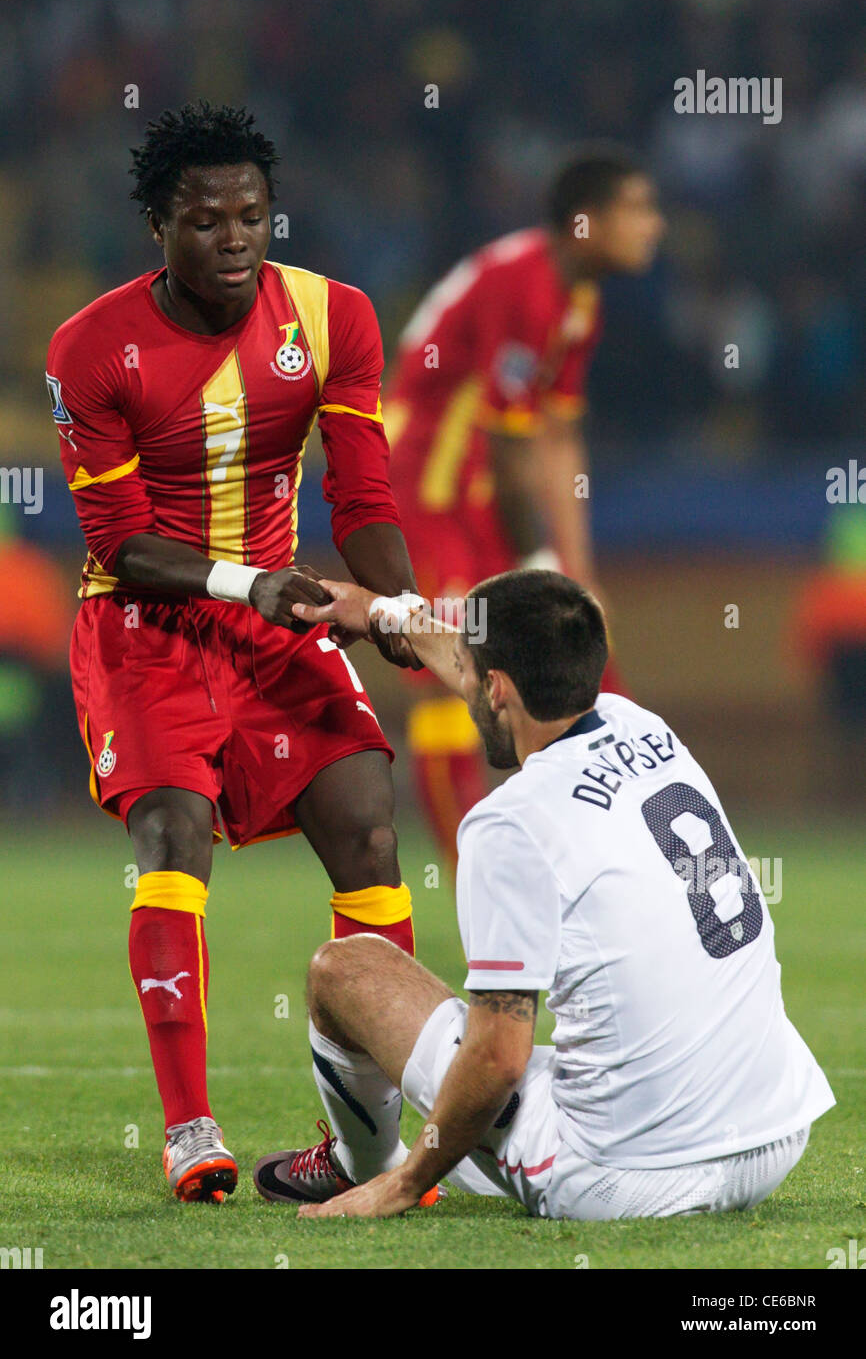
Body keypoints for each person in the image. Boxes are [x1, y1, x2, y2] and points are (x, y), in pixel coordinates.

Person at [45, 101, 426, 1204]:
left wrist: (396, 606)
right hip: (143, 628)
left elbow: (360, 494)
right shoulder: (90, 348)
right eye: (205, 219)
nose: (234, 239)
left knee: (366, 823)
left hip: (276, 622)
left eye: (251, 215)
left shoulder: (334, 315)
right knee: (172, 829)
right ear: (157, 224)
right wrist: (248, 582)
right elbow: (119, 544)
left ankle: (362, 1147)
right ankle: (188, 1128)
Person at [253, 572, 835, 1220]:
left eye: (474, 677)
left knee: (346, 970)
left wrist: (408, 1184)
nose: (466, 685)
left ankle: (366, 1168)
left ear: (497, 688)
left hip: (631, 1179)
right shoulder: (644, 726)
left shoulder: (510, 823)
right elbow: (485, 660)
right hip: (776, 1132)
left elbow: (500, 1057)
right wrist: (385, 614)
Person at [383, 146, 665, 862]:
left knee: (585, 653)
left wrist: (577, 572)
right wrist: (544, 561)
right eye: (636, 209)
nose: (653, 226)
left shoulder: (578, 301)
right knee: (448, 673)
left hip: (480, 493)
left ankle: (629, 857)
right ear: (584, 223)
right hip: (426, 488)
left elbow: (556, 439)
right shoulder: (527, 287)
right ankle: (481, 886)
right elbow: (513, 450)